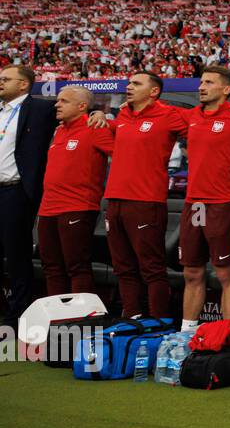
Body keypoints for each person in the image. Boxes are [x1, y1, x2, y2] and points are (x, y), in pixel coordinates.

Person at [177, 65, 230, 328]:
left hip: (222, 204)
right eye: (201, 82)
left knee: (226, 273)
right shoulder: (189, 116)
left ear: (226, 89)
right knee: (191, 272)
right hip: (193, 204)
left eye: (209, 83)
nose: (201, 87)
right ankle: (186, 333)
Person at [99, 72, 189, 320]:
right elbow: (112, 127)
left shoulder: (170, 114)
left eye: (136, 84)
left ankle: (158, 323)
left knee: (151, 268)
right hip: (114, 200)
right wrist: (100, 117)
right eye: (129, 83)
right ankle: (133, 319)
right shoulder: (124, 115)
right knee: (123, 268)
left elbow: (202, 124)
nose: (129, 87)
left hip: (146, 201)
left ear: (154, 91)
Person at [37, 85, 111, 299]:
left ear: (82, 106)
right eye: (57, 100)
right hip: (48, 208)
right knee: (51, 267)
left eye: (63, 101)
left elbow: (123, 156)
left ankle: (82, 320)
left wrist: (102, 115)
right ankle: (57, 318)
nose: (57, 104)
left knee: (76, 266)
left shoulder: (96, 127)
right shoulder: (59, 130)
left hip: (78, 206)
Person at [0, 64, 57, 327]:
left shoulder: (41, 109)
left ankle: (17, 315)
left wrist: (98, 114)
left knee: (16, 254)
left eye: (6, 79)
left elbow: (78, 108)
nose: (1, 82)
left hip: (15, 190)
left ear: (24, 84)